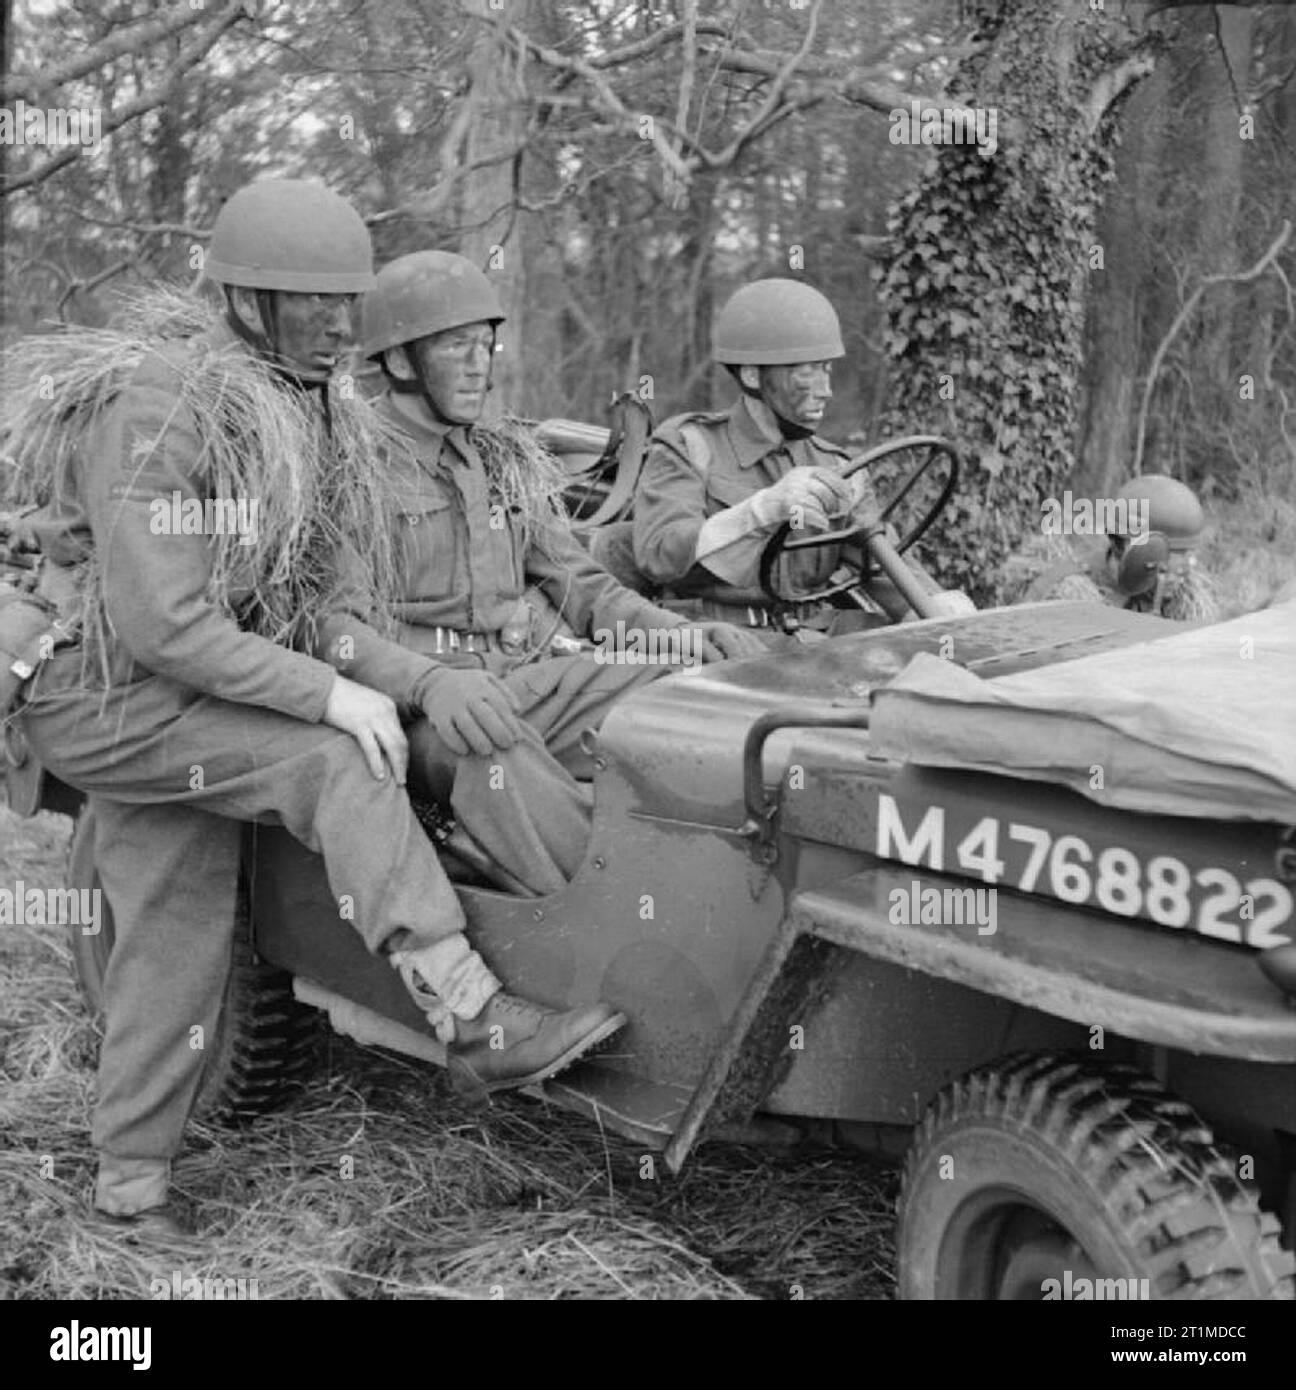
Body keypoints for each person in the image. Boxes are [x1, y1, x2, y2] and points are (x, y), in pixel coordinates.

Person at [5, 181, 622, 1236]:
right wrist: (333, 696)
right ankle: (467, 1013)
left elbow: (328, 601)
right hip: (103, 690)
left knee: (175, 929)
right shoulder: (163, 403)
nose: (343, 322)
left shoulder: (310, 408)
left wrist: (396, 676)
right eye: (313, 302)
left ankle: (128, 1192)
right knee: (333, 765)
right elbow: (163, 625)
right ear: (247, 301)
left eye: (349, 301)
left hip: (187, 700)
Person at [318, 250, 763, 896]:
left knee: (684, 686)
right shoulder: (350, 469)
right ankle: (622, 903)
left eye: (484, 346)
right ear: (397, 361)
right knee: (488, 745)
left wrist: (685, 636)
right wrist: (434, 684)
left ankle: (725, 864)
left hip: (527, 684)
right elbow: (335, 628)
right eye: (454, 347)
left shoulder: (499, 461)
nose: (479, 367)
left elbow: (585, 589)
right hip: (431, 716)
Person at [632, 278, 969, 642]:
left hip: (813, 639)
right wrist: (761, 511)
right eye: (807, 371)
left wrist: (936, 607)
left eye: (826, 369)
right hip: (720, 641)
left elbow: (881, 565)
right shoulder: (690, 445)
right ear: (751, 375)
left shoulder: (836, 467)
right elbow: (660, 554)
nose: (826, 390)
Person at [1007, 474, 1216, 621]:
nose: (1189, 565)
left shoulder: (1177, 603)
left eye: (1188, 554)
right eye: (1174, 554)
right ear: (1124, 544)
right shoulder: (1063, 597)